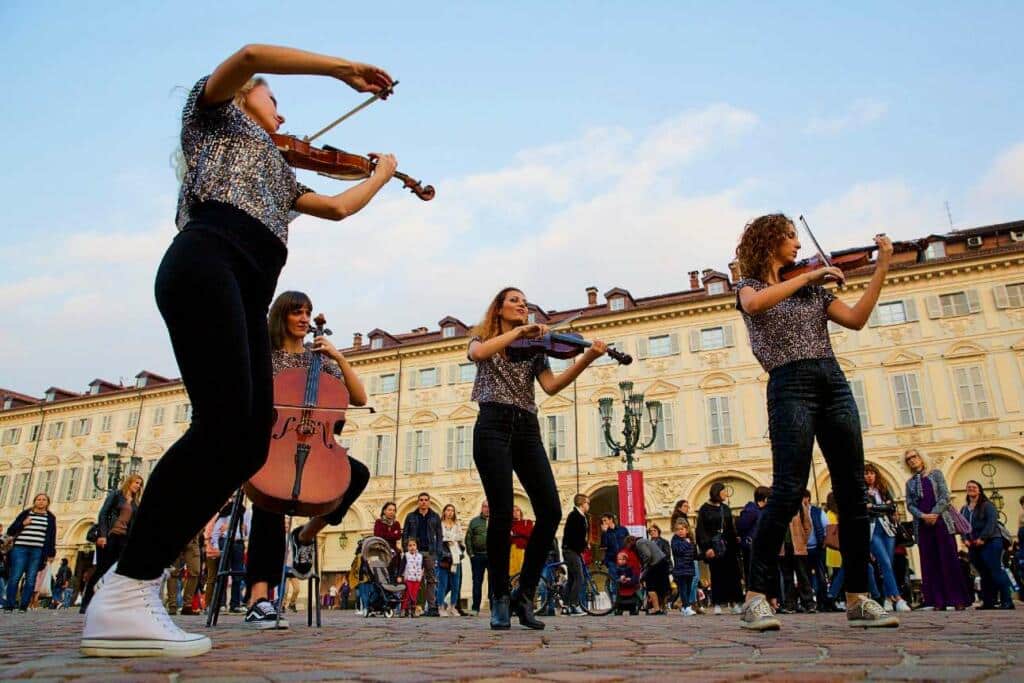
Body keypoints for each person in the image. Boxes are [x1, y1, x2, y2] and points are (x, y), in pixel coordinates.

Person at [80, 44, 395, 658]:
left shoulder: (279, 173)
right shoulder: (212, 118)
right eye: (273, 96)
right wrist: (342, 70)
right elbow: (250, 52)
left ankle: (129, 591)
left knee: (248, 441)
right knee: (222, 424)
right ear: (247, 94)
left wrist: (381, 174)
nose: (280, 110)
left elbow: (334, 206)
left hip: (248, 294)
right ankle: (127, 587)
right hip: (206, 262)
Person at [733, 214, 898, 630]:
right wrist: (807, 279)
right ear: (769, 242)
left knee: (853, 492)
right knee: (787, 490)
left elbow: (857, 318)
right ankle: (755, 598)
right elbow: (755, 305)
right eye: (789, 237)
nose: (797, 244)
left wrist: (880, 269)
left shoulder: (815, 291)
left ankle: (859, 598)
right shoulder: (750, 286)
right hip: (789, 383)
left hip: (832, 381)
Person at [467, 286, 607, 630]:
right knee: (500, 512)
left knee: (551, 510)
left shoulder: (534, 349)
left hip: (527, 428)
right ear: (498, 308)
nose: (522, 304)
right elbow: (479, 353)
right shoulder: (481, 337)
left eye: (524, 302)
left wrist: (587, 357)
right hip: (492, 425)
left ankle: (524, 594)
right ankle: (499, 596)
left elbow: (551, 386)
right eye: (514, 300)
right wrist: (519, 331)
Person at [242, 291, 371, 628]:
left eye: (307, 313)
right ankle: (259, 597)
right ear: (281, 316)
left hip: (314, 444)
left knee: (355, 474)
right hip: (272, 445)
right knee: (268, 500)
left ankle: (305, 536)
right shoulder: (264, 357)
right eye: (296, 312)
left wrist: (339, 357)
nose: (304, 319)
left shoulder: (320, 361)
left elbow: (358, 398)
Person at [904, 449, 969, 610]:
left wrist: (934, 513)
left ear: (921, 457)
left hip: (941, 523)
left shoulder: (936, 474)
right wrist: (923, 516)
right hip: (923, 526)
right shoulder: (909, 483)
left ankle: (958, 599)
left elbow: (945, 496)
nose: (912, 460)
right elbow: (910, 504)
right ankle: (937, 601)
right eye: (908, 459)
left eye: (914, 456)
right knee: (930, 563)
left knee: (949, 561)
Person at [81, 475, 144, 612]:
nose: (138, 486)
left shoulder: (135, 503)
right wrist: (103, 535)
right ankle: (86, 602)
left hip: (124, 539)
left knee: (118, 572)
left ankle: (109, 603)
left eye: (140, 484)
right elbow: (103, 514)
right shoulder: (116, 495)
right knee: (101, 570)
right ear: (129, 482)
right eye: (136, 483)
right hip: (110, 536)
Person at [961, 480, 1015, 609]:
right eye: (969, 487)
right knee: (983, 573)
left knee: (995, 570)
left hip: (991, 541)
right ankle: (988, 602)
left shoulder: (987, 505)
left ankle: (1007, 601)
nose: (971, 489)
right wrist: (965, 539)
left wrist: (983, 538)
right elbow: (961, 525)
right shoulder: (964, 509)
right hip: (973, 544)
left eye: (974, 487)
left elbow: (991, 523)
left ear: (979, 490)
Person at [864, 464, 910, 613]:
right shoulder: (862, 491)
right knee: (883, 561)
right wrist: (883, 507)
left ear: (876, 475)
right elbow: (867, 508)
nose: (869, 476)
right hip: (873, 530)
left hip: (888, 529)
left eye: (871, 473)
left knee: (888, 564)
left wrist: (875, 507)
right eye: (866, 474)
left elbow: (891, 507)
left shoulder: (883, 490)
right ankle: (898, 598)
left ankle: (887, 598)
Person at [696, 483, 744, 615]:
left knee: (733, 576)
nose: (725, 494)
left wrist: (736, 542)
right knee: (717, 575)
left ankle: (735, 602)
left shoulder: (726, 508)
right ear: (716, 492)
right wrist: (706, 548)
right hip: (714, 547)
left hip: (728, 547)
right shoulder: (704, 509)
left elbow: (731, 529)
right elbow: (701, 531)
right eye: (723, 492)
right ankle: (717, 603)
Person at [5, 494, 57, 613]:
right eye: (38, 499)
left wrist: (51, 553)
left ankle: (23, 606)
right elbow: (11, 530)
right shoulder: (26, 513)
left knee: (31, 579)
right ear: (34, 501)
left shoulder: (50, 517)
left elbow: (51, 536)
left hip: (37, 550)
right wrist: (23, 524)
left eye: (44, 500)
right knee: (15, 577)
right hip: (20, 548)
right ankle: (10, 605)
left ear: (48, 503)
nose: (41, 502)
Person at [403, 493, 443, 617]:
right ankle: (417, 606)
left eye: (426, 500)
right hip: (415, 552)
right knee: (416, 579)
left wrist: (438, 552)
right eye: (421, 500)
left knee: (431, 579)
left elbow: (440, 536)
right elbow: (405, 534)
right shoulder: (411, 516)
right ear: (418, 502)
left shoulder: (435, 516)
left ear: (429, 502)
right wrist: (406, 551)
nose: (423, 502)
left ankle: (431, 607)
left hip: (430, 552)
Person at [210, 500, 248, 614]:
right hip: (225, 542)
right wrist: (216, 547)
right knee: (223, 573)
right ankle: (221, 603)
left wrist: (244, 530)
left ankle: (235, 604)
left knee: (237, 574)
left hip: (238, 543)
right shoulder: (225, 515)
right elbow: (216, 532)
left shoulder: (245, 515)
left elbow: (248, 532)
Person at [778, 495, 814, 614]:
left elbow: (807, 525)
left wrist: (803, 540)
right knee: (787, 577)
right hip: (783, 548)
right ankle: (790, 604)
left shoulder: (799, 505)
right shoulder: (776, 507)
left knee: (803, 575)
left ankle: (808, 603)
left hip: (798, 546)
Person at [562, 494, 590, 616]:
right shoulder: (575, 516)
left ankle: (566, 606)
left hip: (574, 550)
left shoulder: (582, 516)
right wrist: (583, 546)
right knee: (579, 577)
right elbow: (574, 535)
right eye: (587, 503)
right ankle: (574, 605)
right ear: (581, 504)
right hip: (571, 550)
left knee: (572, 579)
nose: (588, 505)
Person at [670, 499, 700, 608]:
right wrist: (690, 545)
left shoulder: (683, 518)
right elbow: (679, 547)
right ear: (679, 507)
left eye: (688, 506)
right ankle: (687, 603)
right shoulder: (680, 519)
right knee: (692, 580)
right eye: (685, 506)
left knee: (692, 580)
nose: (688, 508)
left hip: (689, 556)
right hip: (684, 561)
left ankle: (688, 602)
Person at [628, 534, 668, 614]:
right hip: (662, 562)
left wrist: (645, 569)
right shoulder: (643, 541)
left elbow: (647, 555)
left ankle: (656, 609)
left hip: (656, 564)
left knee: (650, 587)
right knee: (659, 587)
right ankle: (661, 608)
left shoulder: (639, 543)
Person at [736, 487, 770, 581]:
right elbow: (742, 525)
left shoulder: (760, 510)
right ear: (766, 499)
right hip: (752, 548)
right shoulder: (752, 511)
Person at [438, 503, 465, 616]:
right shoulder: (440, 525)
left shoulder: (456, 525)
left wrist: (455, 541)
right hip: (444, 554)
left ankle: (453, 606)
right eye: (448, 510)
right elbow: (439, 538)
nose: (450, 512)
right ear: (444, 511)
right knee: (442, 583)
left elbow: (460, 538)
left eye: (452, 510)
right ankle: (440, 606)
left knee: (456, 583)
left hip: (455, 554)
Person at [166, 531, 202, 616]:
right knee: (173, 573)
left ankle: (187, 606)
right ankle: (172, 606)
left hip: (193, 541)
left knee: (195, 571)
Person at [465, 501, 489, 616]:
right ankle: (475, 608)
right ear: (482, 508)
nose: (487, 509)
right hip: (477, 556)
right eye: (485, 507)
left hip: (492, 556)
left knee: (493, 582)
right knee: (477, 582)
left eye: (489, 507)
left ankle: (494, 608)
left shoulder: (496, 520)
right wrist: (471, 555)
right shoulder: (474, 521)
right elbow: (468, 538)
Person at [671, 521, 697, 616]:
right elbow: (678, 550)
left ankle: (684, 606)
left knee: (689, 588)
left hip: (689, 568)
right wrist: (686, 543)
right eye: (677, 530)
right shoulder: (675, 540)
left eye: (682, 529)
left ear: (686, 530)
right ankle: (687, 607)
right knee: (683, 589)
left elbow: (693, 554)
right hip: (680, 569)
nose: (680, 531)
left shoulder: (689, 539)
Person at [600, 513, 630, 593]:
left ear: (611, 520)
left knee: (625, 580)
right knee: (614, 582)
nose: (603, 522)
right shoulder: (605, 533)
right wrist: (604, 533)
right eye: (602, 521)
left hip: (624, 560)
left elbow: (629, 543)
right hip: (612, 561)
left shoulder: (622, 529)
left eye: (605, 520)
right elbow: (603, 546)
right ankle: (615, 602)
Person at [399, 538, 424, 618]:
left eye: (414, 545)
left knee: (414, 595)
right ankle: (404, 609)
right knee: (407, 594)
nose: (412, 547)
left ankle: (413, 610)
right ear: (407, 547)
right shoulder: (406, 556)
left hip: (417, 579)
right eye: (410, 546)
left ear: (417, 546)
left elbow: (422, 566)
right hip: (408, 578)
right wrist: (399, 575)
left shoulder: (420, 556)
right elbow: (402, 566)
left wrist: (422, 574)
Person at [509, 506, 534, 579]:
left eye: (517, 510)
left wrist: (515, 533)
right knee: (514, 576)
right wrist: (522, 533)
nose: (515, 512)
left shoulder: (527, 522)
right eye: (513, 511)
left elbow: (529, 534)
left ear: (520, 512)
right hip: (513, 551)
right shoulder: (510, 524)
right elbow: (509, 538)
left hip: (524, 550)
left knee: (524, 573)